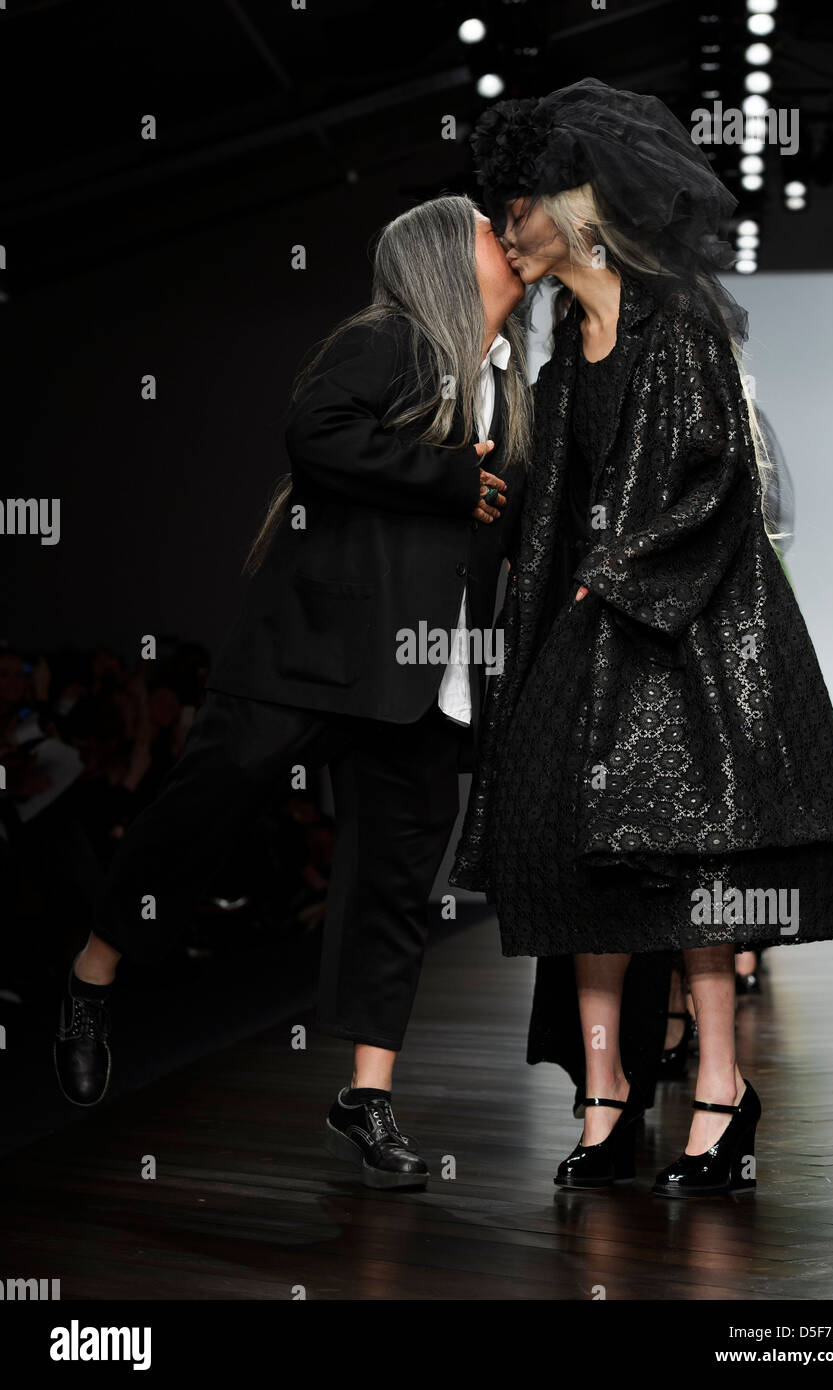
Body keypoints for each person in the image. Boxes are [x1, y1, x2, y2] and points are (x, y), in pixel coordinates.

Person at [53, 193, 531, 1191]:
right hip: (311, 646)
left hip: (425, 676)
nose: (507, 236)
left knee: (396, 887)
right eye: (489, 225)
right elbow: (314, 428)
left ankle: (364, 1095)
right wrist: (447, 479)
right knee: (207, 806)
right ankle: (95, 971)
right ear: (447, 256)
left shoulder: (510, 384)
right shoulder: (395, 340)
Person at [451, 79, 833, 1197]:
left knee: (695, 880)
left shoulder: (675, 324)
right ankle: (607, 1096)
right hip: (600, 640)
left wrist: (607, 587)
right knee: (580, 877)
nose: (506, 230)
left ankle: (722, 1094)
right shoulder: (561, 355)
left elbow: (712, 482)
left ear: (574, 202)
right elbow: (552, 514)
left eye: (517, 208)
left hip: (690, 644)